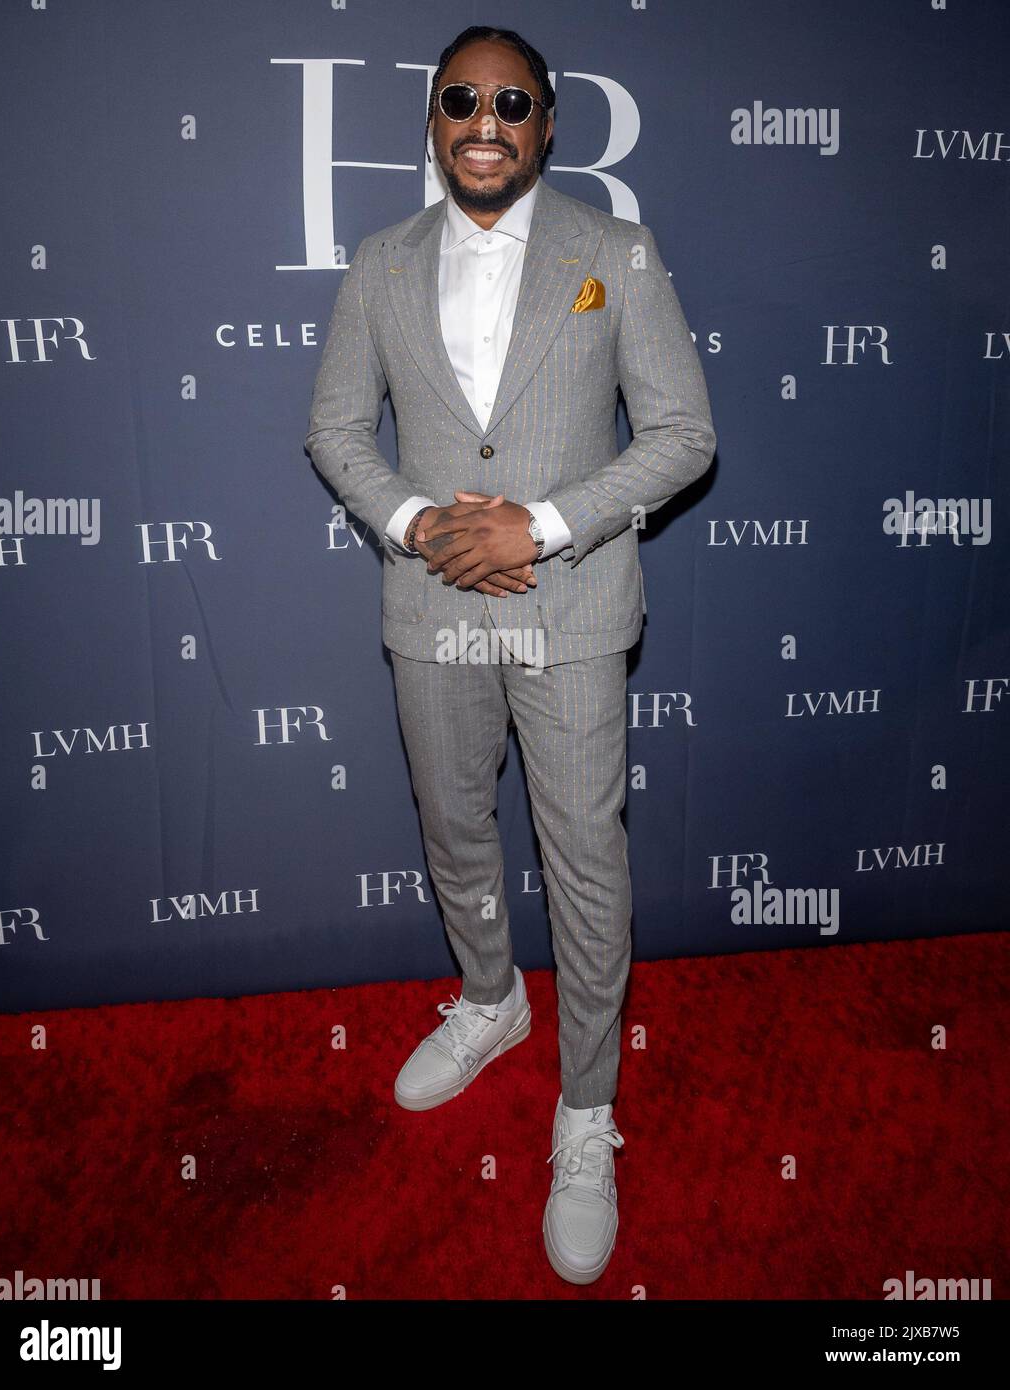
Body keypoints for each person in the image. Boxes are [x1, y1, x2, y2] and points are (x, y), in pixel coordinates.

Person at [305, 23, 716, 1285]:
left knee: (585, 857)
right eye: (459, 101)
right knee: (454, 828)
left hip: (573, 602)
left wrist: (536, 524)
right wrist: (419, 523)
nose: (484, 121)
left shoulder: (617, 254)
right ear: (432, 122)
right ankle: (491, 998)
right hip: (431, 605)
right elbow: (333, 426)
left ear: (546, 123)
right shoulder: (378, 263)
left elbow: (682, 433)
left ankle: (584, 1112)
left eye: (511, 103)